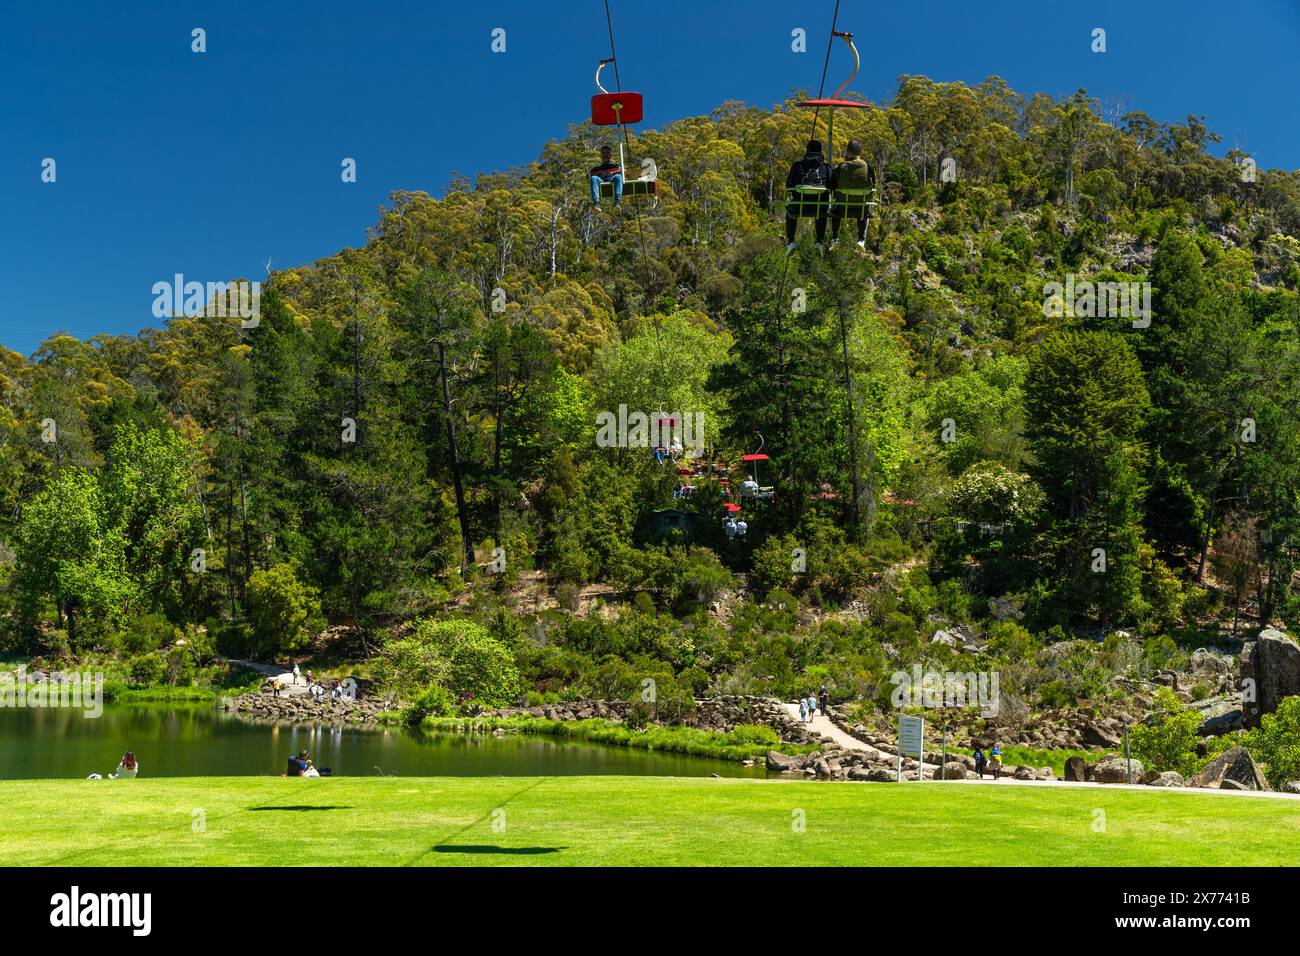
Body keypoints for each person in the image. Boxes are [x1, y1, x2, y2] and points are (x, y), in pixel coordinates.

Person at [784, 139, 832, 251]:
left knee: (790, 209)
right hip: (820, 208)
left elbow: (789, 185)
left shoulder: (797, 166)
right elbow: (832, 186)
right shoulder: (826, 168)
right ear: (820, 152)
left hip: (799, 207)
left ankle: (791, 241)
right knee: (822, 209)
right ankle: (819, 242)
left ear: (807, 151)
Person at [830, 139, 873, 249]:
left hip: (842, 208)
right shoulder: (868, 167)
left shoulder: (840, 167)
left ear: (847, 151)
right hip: (861, 209)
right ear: (861, 152)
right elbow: (873, 185)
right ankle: (861, 239)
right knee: (865, 207)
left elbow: (833, 185)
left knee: (834, 208)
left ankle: (835, 237)